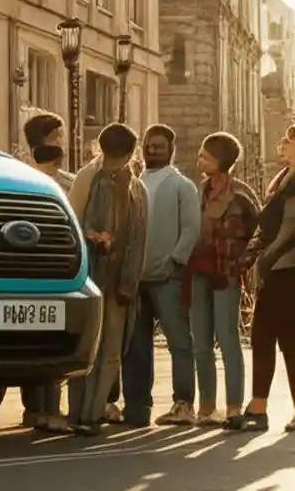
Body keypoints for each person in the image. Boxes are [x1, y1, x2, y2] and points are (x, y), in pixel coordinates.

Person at [67, 123, 148, 435]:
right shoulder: (92, 176)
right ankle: (82, 412)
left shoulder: (135, 187)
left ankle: (92, 411)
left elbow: (137, 238)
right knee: (95, 346)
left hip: (117, 278)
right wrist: (93, 235)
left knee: (107, 346)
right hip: (94, 271)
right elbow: (74, 220)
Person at [120, 125, 201, 428]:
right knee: (135, 345)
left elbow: (191, 229)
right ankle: (137, 407)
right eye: (148, 145)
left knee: (179, 342)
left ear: (171, 150)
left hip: (167, 277)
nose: (152, 150)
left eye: (159, 146)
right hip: (136, 280)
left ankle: (183, 404)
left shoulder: (182, 186)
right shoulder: (134, 183)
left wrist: (174, 262)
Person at [187, 132, 259, 427]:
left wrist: (242, 261)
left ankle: (233, 408)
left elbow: (259, 232)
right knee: (200, 341)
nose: (200, 160)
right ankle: (206, 407)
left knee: (228, 339)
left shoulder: (241, 195)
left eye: (205, 156)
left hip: (226, 274)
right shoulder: (199, 192)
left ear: (221, 160)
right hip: (198, 272)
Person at [233, 125, 295, 433]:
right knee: (268, 338)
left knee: (283, 341)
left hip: (288, 272)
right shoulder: (283, 178)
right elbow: (267, 226)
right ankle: (258, 406)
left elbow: (289, 230)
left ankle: (259, 408)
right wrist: (249, 255)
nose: (282, 144)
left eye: (288, 140)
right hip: (276, 270)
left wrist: (264, 263)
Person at [18, 113, 74, 431]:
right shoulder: (45, 180)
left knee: (39, 339)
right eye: (58, 136)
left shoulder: (22, 172)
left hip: (35, 270)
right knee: (51, 340)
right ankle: (47, 410)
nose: (63, 141)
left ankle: (37, 409)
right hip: (50, 270)